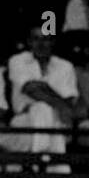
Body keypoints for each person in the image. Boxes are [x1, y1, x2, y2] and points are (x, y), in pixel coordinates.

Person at [5, 25, 80, 153]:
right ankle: (48, 160)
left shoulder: (65, 66)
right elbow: (31, 89)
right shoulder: (17, 60)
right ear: (29, 42)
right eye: (36, 39)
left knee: (45, 112)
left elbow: (70, 100)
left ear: (52, 42)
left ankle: (40, 161)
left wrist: (43, 87)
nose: (41, 44)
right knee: (42, 109)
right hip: (24, 119)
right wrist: (59, 104)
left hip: (58, 119)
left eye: (45, 39)